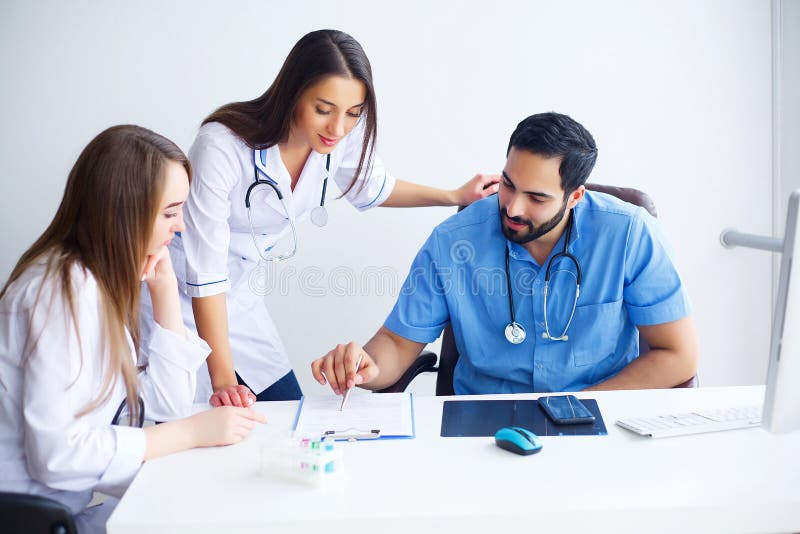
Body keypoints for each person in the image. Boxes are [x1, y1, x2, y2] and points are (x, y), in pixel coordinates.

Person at [145, 29, 499, 407]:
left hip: (240, 299)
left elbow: (375, 187)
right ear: (293, 93)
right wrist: (224, 381)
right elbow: (206, 276)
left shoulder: (337, 138)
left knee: (285, 410)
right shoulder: (221, 147)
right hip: (178, 296)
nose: (338, 128)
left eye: (353, 114)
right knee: (196, 413)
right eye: (323, 109)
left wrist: (453, 196)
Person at [311, 112, 699, 395]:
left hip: (597, 416)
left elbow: (678, 355)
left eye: (536, 198)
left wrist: (578, 406)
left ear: (575, 197)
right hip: (483, 423)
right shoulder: (453, 242)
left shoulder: (630, 234)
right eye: (508, 185)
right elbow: (397, 345)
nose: (512, 208)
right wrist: (366, 366)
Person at [0, 125, 265, 534]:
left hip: (59, 510)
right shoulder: (58, 293)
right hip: (30, 518)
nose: (180, 227)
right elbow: (56, 455)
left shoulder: (98, 283)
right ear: (126, 211)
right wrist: (187, 435)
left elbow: (167, 405)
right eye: (170, 212)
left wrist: (165, 294)